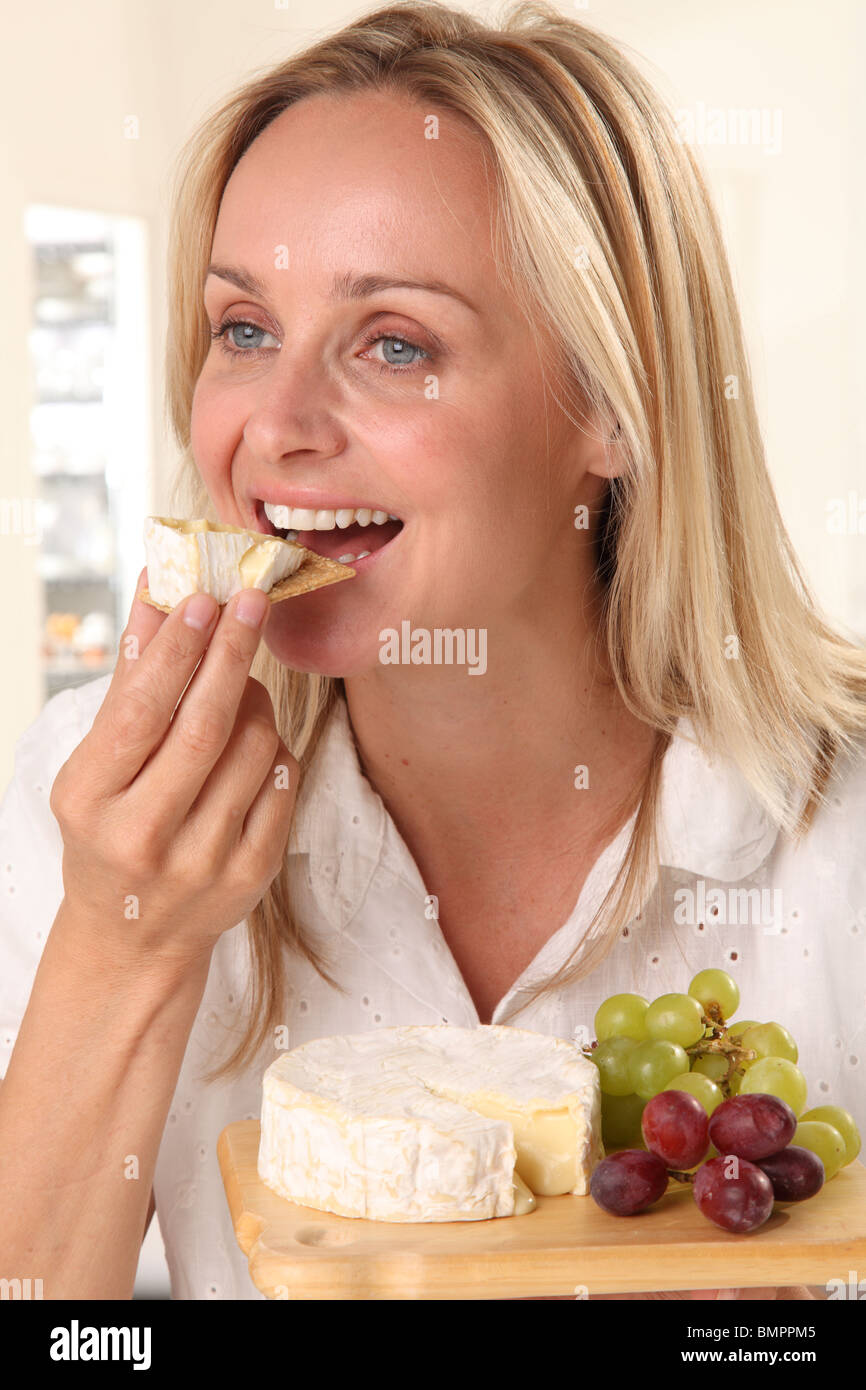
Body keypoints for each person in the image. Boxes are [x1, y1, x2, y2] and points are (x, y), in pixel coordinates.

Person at [1, 0, 863, 1302]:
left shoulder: (838, 835)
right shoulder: (86, 796)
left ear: (612, 403)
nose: (275, 426)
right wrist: (123, 950)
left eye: (394, 344)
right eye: (244, 330)